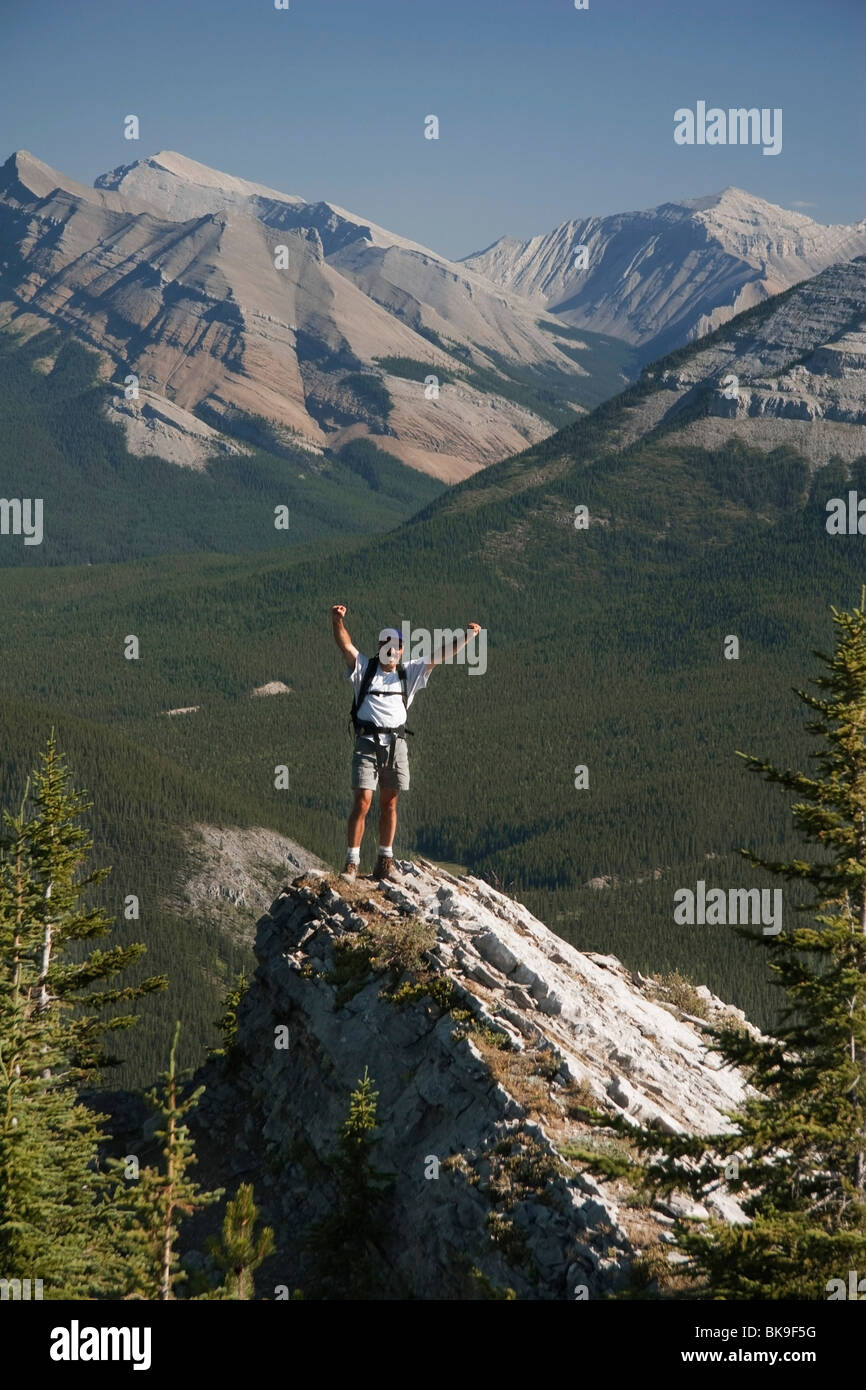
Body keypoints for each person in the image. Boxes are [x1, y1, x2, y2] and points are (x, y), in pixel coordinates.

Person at [331, 605, 480, 881]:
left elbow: (441, 655)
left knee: (390, 803)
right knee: (362, 801)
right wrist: (337, 621)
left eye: (397, 646)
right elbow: (346, 645)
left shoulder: (409, 672)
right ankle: (352, 862)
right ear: (380, 647)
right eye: (388, 645)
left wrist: (467, 636)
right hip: (367, 742)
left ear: (401, 650)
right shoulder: (364, 668)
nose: (392, 650)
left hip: (396, 744)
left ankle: (384, 859)